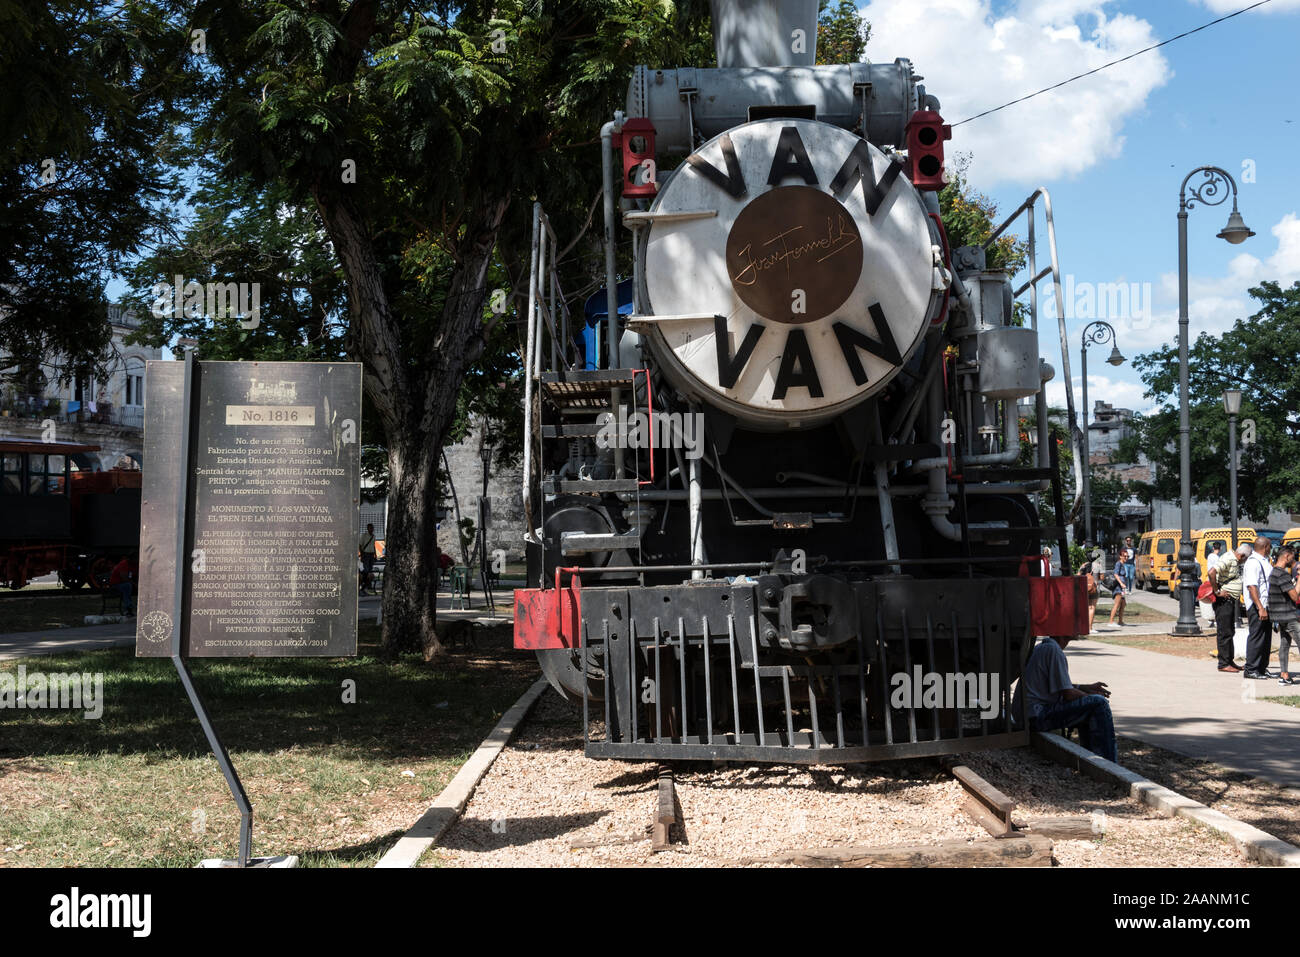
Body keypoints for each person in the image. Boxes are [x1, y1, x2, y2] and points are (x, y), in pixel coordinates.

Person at [1011, 634, 1116, 762]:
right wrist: (1091, 696)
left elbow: (1058, 683)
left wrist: (1084, 687)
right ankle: (1109, 762)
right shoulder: (1053, 650)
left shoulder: (1044, 647)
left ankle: (1094, 758)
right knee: (1099, 704)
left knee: (1090, 706)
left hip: (1028, 715)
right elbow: (1068, 694)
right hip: (1035, 716)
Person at [1208, 543, 1248, 672]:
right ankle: (1223, 663)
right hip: (1223, 601)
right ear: (1242, 556)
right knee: (1224, 632)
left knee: (1230, 631)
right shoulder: (1229, 558)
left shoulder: (1233, 559)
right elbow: (1211, 572)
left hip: (1229, 601)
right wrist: (1217, 591)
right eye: (1245, 559)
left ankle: (1229, 661)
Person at [1242, 534, 1278, 680]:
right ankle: (1251, 669)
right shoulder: (1253, 563)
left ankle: (1262, 667)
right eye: (1270, 546)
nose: (1271, 549)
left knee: (1266, 638)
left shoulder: (1264, 561)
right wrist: (1260, 607)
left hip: (1265, 605)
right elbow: (1252, 587)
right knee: (1257, 637)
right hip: (1257, 606)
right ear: (1265, 547)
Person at [1267, 545, 1300, 686]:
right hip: (1289, 616)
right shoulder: (1282, 574)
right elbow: (1295, 596)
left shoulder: (1274, 572)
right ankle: (1284, 675)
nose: (1293, 560)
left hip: (1280, 616)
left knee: (1284, 645)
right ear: (1286, 556)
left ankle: (1284, 675)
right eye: (1292, 557)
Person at [1108, 548, 1132, 627]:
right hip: (1118, 587)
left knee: (1123, 604)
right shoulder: (1118, 563)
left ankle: (1120, 621)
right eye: (1124, 556)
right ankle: (1111, 622)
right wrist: (1121, 583)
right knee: (1117, 604)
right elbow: (1115, 574)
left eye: (1127, 556)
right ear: (1120, 557)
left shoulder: (1123, 564)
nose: (1126, 558)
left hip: (1122, 588)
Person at [358, 523, 378, 595]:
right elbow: (360, 545)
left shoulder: (373, 536)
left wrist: (375, 555)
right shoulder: (364, 536)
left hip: (371, 554)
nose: (371, 529)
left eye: (372, 528)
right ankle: (365, 586)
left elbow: (373, 546)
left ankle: (366, 586)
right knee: (366, 571)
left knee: (370, 570)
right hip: (365, 554)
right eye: (370, 528)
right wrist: (362, 553)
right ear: (367, 528)